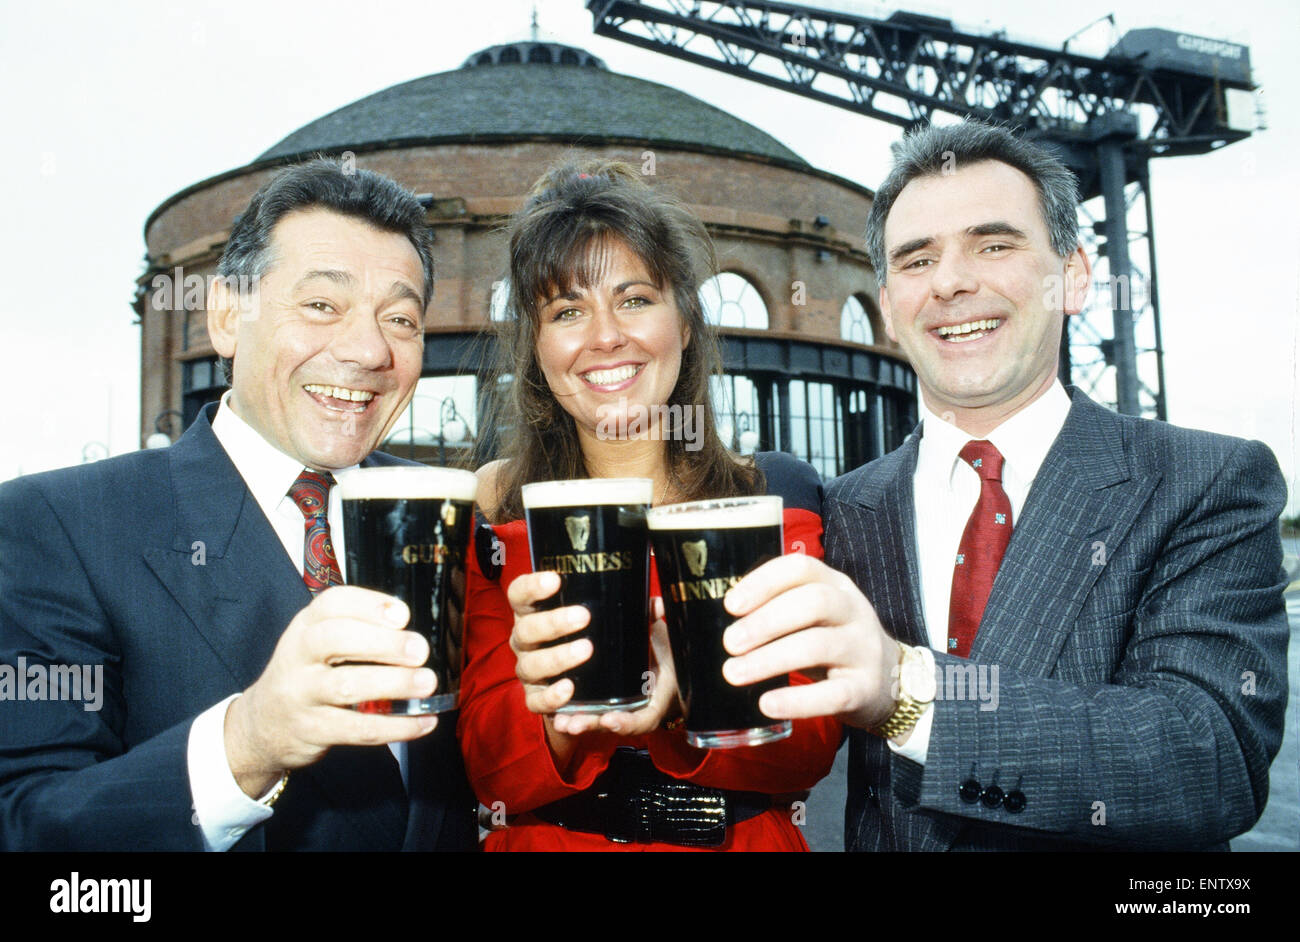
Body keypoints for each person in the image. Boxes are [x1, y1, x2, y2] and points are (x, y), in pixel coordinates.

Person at [717, 120, 1290, 851]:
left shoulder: (1206, 482)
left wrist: (906, 691)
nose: (951, 281)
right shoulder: (842, 511)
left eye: (993, 245)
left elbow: (1210, 759)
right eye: (917, 259)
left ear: (1073, 276)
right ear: (887, 308)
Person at [0, 159, 478, 851]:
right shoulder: (56, 526)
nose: (369, 350)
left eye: (400, 318)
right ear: (227, 317)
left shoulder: (458, 516)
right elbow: (27, 823)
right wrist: (249, 742)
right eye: (322, 306)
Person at [458, 160, 841, 850]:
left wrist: (685, 702)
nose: (606, 336)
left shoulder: (768, 498)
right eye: (567, 311)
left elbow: (809, 745)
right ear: (537, 350)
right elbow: (490, 770)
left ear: (685, 323)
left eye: (634, 300)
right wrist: (554, 708)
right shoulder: (494, 510)